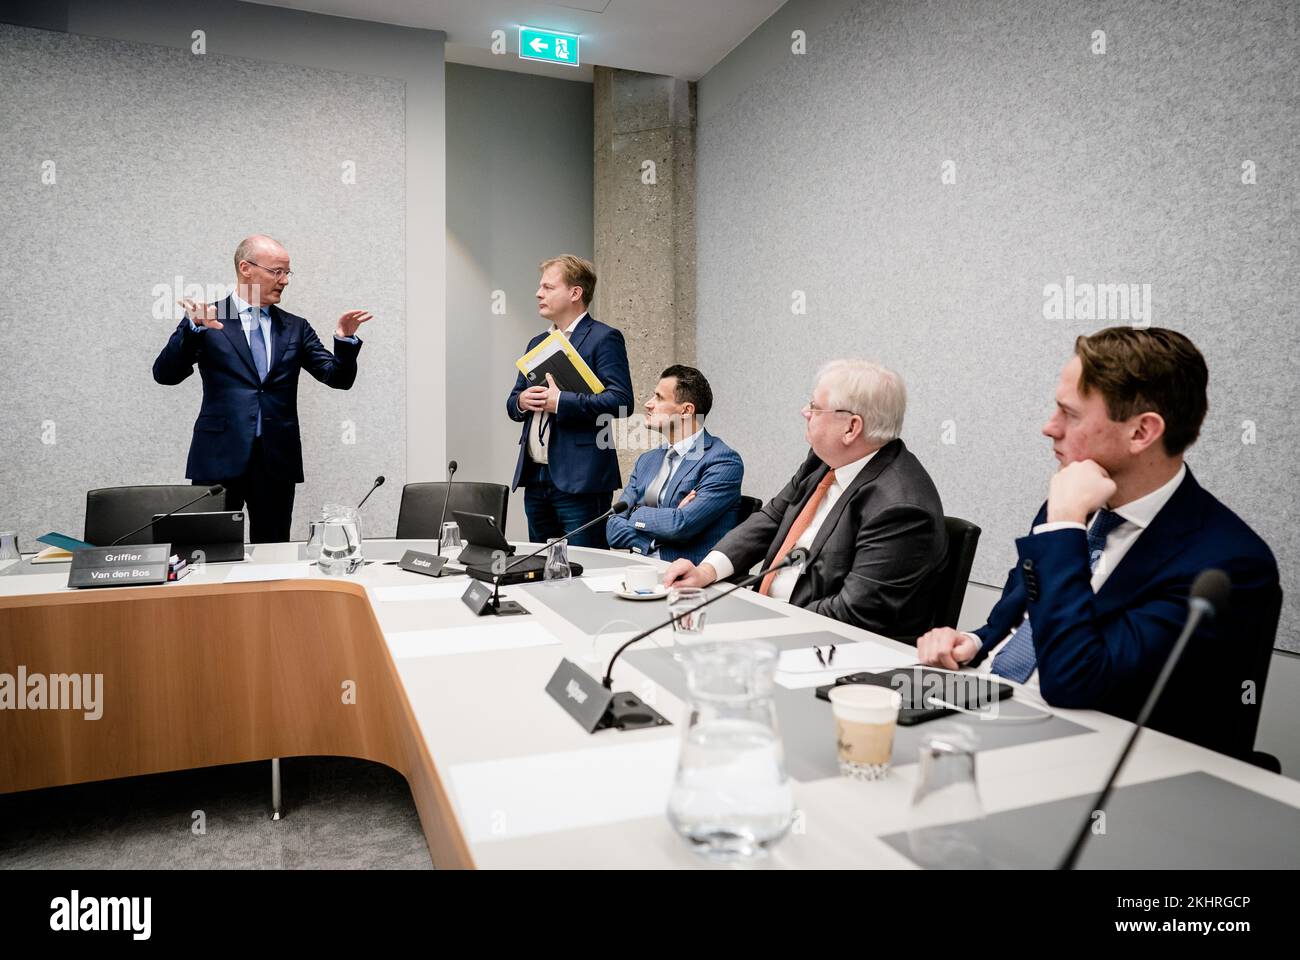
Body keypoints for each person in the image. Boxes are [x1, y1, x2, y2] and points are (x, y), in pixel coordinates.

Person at [916, 327, 1280, 759]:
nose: (1048, 427)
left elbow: (1075, 682)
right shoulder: (1077, 501)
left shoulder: (1227, 565)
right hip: (987, 711)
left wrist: (1065, 526)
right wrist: (974, 643)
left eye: (1069, 414)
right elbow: (1018, 623)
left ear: (1142, 432)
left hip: (1086, 759)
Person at [665, 358, 947, 638]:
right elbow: (772, 518)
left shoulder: (900, 508)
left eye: (814, 407)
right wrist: (706, 570)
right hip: (773, 623)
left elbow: (852, 613)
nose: (804, 412)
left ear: (851, 428)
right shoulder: (823, 461)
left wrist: (757, 627)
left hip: (831, 648)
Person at [152, 234, 371, 542]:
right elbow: (165, 374)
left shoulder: (296, 327)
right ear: (246, 268)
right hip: (217, 457)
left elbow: (338, 378)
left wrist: (345, 340)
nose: (284, 280)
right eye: (276, 272)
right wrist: (193, 330)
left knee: (274, 551)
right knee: (208, 551)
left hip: (276, 461)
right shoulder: (208, 317)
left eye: (287, 273)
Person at [506, 255, 633, 548]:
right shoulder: (536, 343)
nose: (539, 294)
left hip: (581, 481)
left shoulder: (604, 338)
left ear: (575, 293)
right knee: (538, 567)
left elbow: (621, 401)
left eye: (548, 287)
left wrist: (561, 401)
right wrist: (523, 401)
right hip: (535, 477)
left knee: (583, 566)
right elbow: (512, 403)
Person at [606, 365, 743, 564]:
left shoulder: (722, 462)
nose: (648, 404)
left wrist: (635, 512)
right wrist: (652, 538)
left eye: (659, 398)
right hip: (639, 569)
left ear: (686, 410)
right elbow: (612, 528)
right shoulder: (647, 460)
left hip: (687, 577)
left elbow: (679, 525)